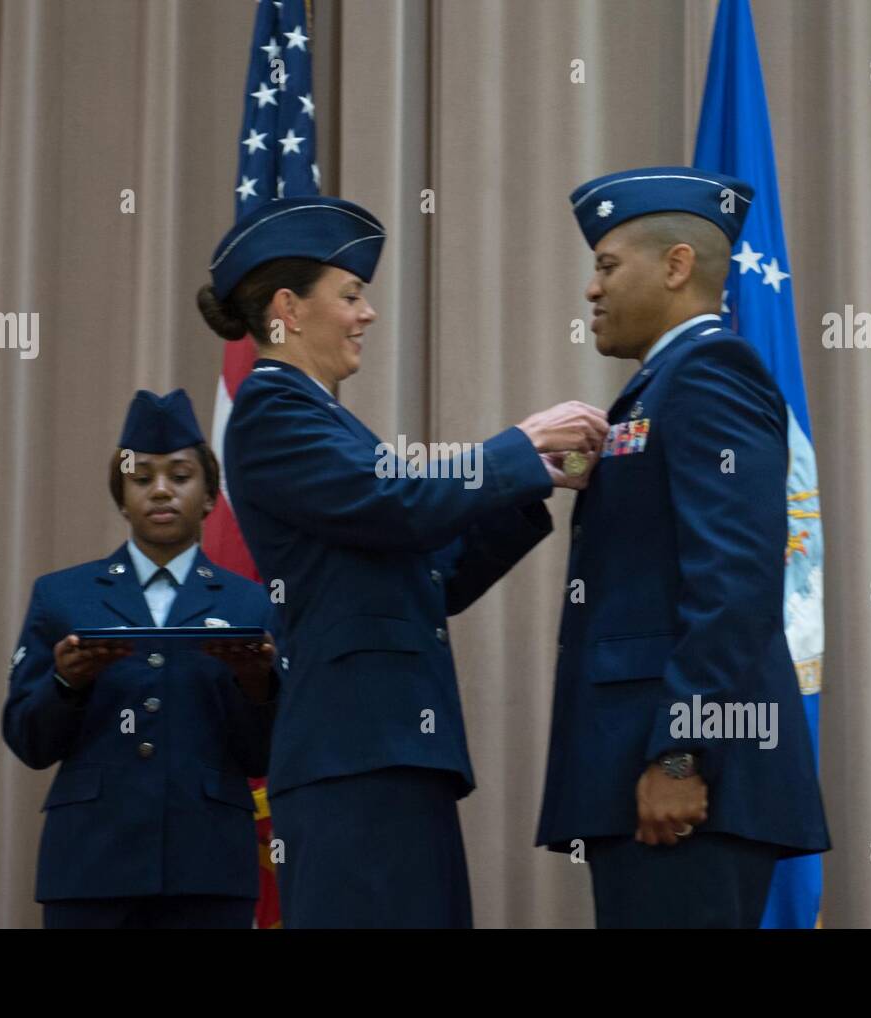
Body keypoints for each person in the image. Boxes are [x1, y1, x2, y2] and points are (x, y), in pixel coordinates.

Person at [197, 195, 608, 928]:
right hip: (351, 753)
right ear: (288, 307)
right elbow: (392, 500)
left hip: (392, 750)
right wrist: (520, 441)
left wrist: (530, 486)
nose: (368, 314)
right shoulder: (271, 410)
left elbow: (431, 571)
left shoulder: (324, 420)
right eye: (350, 294)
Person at [535, 167, 830, 927]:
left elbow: (734, 580)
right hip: (647, 774)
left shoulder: (709, 375)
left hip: (691, 783)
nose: (592, 291)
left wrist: (679, 753)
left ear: (675, 267)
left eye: (606, 266)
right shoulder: (661, 388)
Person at [2, 388, 279, 929]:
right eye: (141, 477)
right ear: (121, 497)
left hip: (209, 869)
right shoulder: (63, 596)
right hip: (90, 867)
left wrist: (256, 684)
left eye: (179, 476)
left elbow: (263, 756)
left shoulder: (251, 603)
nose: (160, 491)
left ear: (208, 496)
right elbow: (27, 741)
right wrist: (65, 684)